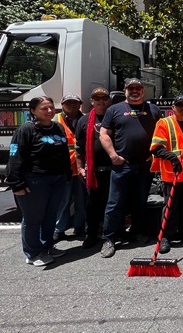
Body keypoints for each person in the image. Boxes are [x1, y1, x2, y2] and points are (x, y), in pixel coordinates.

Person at [99, 78, 160, 258]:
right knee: (114, 203)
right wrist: (113, 156)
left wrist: (155, 154)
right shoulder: (114, 110)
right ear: (125, 90)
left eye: (138, 88)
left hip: (145, 165)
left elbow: (162, 134)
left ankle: (137, 232)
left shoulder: (153, 110)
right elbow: (104, 134)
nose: (135, 91)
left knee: (140, 202)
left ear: (143, 91)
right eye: (131, 88)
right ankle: (109, 239)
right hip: (122, 166)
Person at [7, 96, 70, 266]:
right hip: (35, 180)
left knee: (50, 216)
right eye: (44, 108)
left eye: (51, 107)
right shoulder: (25, 130)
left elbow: (64, 153)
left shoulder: (57, 127)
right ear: (33, 111)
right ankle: (33, 253)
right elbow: (15, 156)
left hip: (57, 179)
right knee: (33, 218)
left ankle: (47, 246)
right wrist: (17, 184)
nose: (49, 111)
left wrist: (67, 174)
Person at [151, 95, 183, 254]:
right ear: (173, 107)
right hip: (172, 174)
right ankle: (164, 237)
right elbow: (156, 148)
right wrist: (172, 157)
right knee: (170, 207)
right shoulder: (164, 123)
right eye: (180, 105)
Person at [74, 88, 113, 249]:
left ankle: (110, 235)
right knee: (92, 205)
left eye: (104, 98)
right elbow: (79, 147)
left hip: (113, 169)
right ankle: (91, 235)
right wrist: (79, 167)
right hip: (93, 171)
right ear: (91, 101)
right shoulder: (83, 121)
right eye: (97, 98)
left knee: (112, 204)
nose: (101, 101)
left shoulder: (114, 117)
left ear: (108, 100)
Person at [53, 93, 87, 242]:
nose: (72, 105)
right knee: (63, 201)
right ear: (62, 105)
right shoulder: (55, 120)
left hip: (81, 167)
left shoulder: (86, 118)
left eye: (75, 103)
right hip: (63, 168)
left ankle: (80, 228)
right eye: (69, 103)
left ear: (80, 104)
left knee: (82, 199)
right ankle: (58, 230)